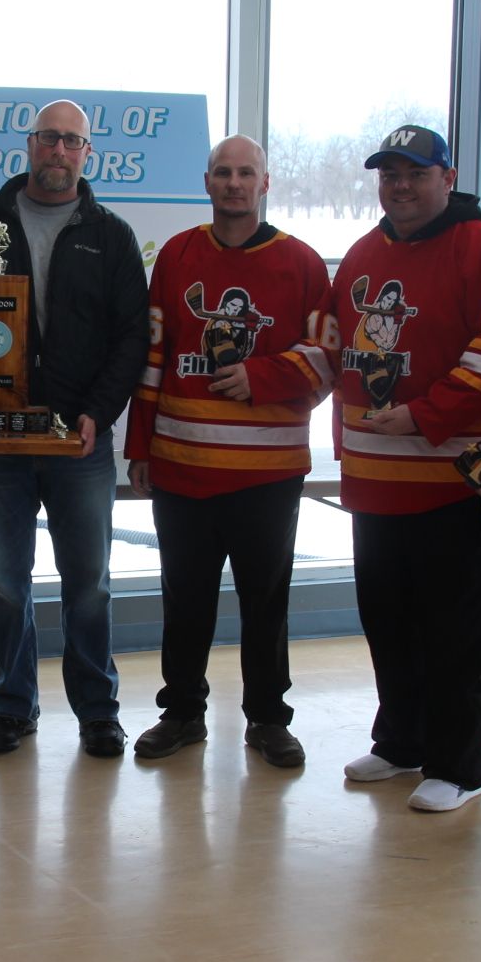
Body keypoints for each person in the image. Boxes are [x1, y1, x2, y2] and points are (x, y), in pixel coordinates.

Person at [0, 101, 151, 759]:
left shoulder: (110, 236)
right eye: (50, 138)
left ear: (86, 154)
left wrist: (98, 414)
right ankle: (13, 706)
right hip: (0, 441)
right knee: (4, 583)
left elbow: (132, 338)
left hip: (80, 441)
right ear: (29, 145)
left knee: (89, 585)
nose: (59, 150)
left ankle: (98, 711)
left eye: (72, 141)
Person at [315, 125, 481, 811]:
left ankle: (460, 763)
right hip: (376, 481)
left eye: (414, 173)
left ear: (447, 175)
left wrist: (425, 414)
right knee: (389, 619)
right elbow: (334, 345)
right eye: (388, 175)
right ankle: (401, 742)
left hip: (454, 477)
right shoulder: (363, 253)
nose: (399, 186)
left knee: (456, 628)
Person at [123, 135, 331, 768]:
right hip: (182, 468)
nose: (234, 183)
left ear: (264, 183)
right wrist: (141, 445)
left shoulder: (302, 263)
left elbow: (329, 360)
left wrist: (262, 377)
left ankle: (268, 718)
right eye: (222, 173)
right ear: (206, 181)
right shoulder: (179, 256)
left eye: (246, 173)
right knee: (184, 597)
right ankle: (182, 711)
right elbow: (153, 358)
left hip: (267, 474)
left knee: (266, 599)